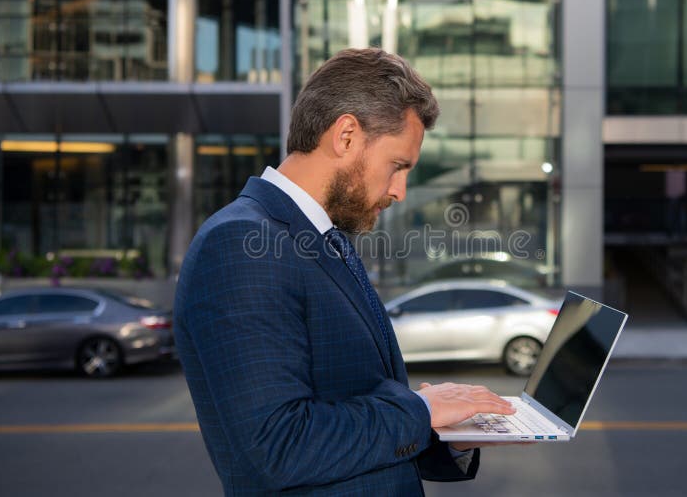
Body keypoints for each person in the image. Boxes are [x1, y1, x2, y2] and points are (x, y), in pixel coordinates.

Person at [174, 48, 516, 496]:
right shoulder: (241, 244)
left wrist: (451, 423)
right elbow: (276, 446)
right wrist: (419, 410)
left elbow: (363, 402)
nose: (400, 191)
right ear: (347, 135)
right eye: (398, 166)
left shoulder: (322, 237)